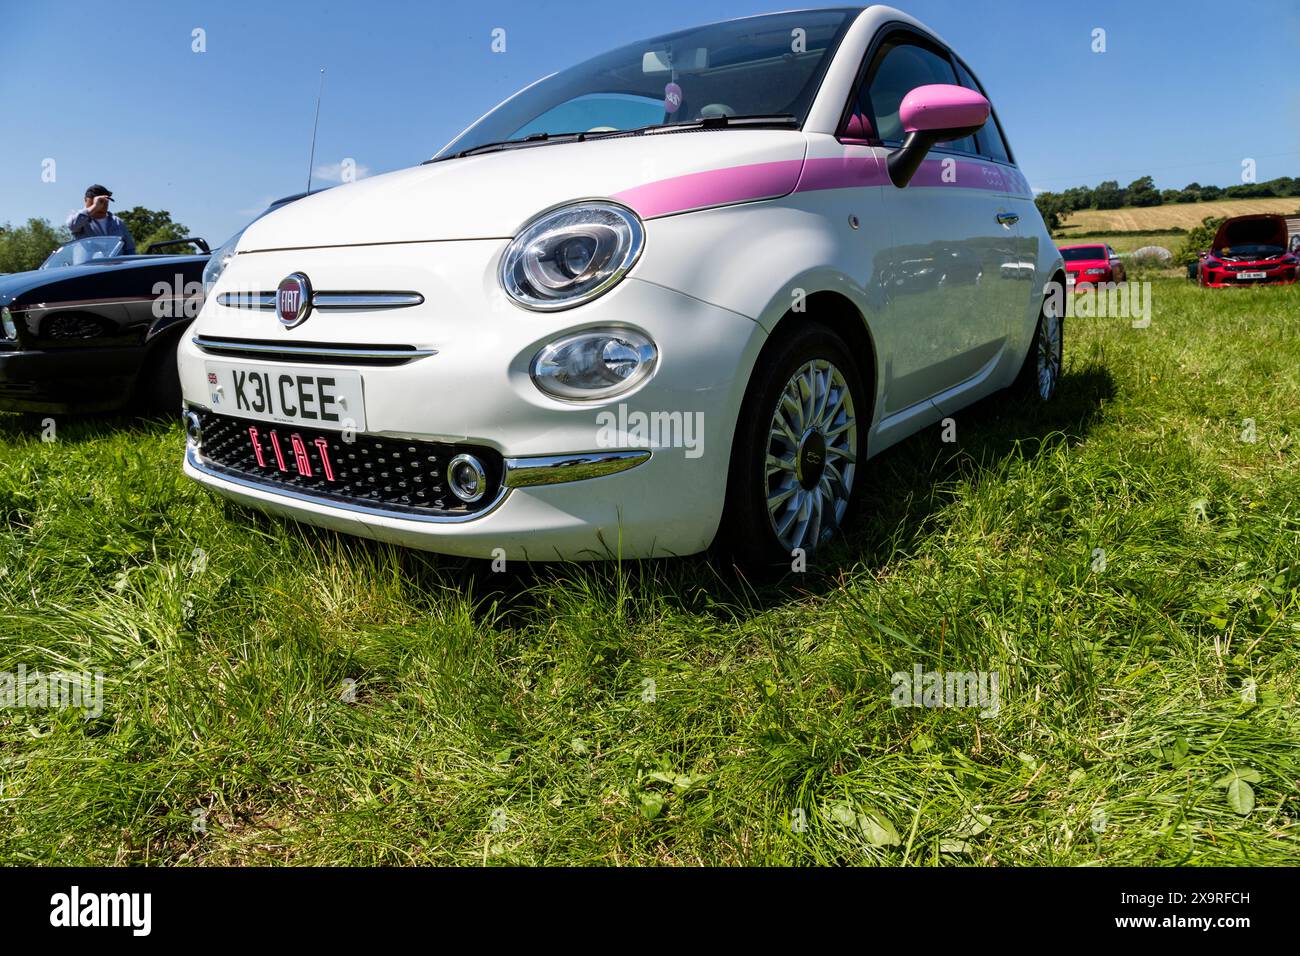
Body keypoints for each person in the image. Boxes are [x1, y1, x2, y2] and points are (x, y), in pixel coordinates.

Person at [66, 184, 136, 255]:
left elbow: (129, 249)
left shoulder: (117, 222)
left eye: (104, 201)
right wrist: (94, 207)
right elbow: (72, 225)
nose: (101, 205)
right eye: (98, 201)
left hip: (116, 265)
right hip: (88, 265)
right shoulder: (78, 218)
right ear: (85, 200)